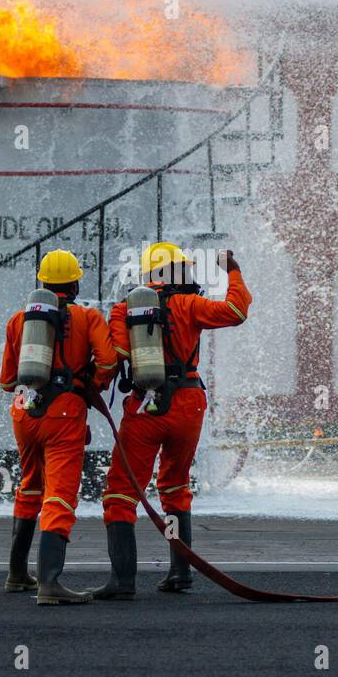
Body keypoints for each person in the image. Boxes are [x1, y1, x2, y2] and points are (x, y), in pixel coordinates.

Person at [93, 242, 252, 599]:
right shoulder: (190, 305)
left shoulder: (123, 310)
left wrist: (90, 388)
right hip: (189, 403)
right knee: (176, 486)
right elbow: (235, 311)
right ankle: (180, 572)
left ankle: (123, 581)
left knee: (120, 491)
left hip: (146, 406)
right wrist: (233, 270)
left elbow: (115, 355)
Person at [0, 248, 117, 606]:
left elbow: (7, 381)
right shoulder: (88, 317)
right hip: (64, 414)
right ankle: (49, 582)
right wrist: (85, 385)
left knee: (30, 485)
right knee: (60, 495)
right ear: (76, 283)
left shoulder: (19, 320)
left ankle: (17, 573)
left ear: (43, 283)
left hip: (24, 410)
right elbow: (109, 361)